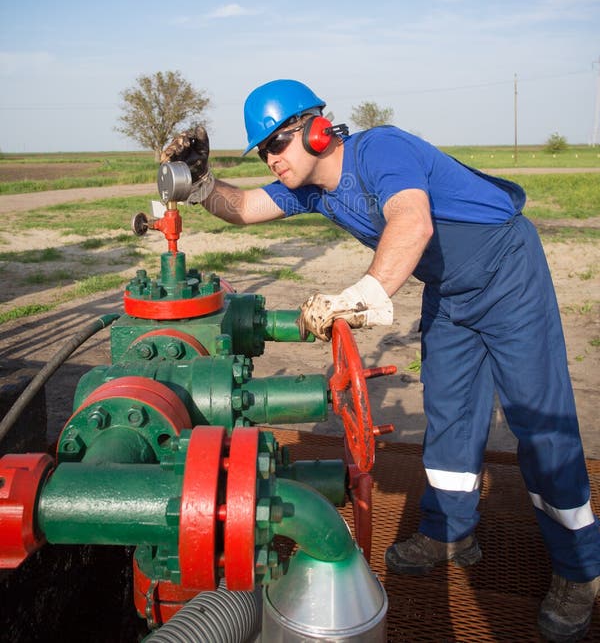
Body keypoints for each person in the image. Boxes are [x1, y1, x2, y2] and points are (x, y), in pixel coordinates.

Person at [162, 78, 600, 643]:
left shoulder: (380, 150)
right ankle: (450, 533)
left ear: (317, 130)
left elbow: (412, 221)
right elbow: (244, 208)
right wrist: (201, 186)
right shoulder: (312, 190)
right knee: (449, 412)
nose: (271, 159)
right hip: (451, 287)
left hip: (507, 270)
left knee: (538, 421)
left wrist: (362, 295)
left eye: (278, 143)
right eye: (263, 150)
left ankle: (579, 568)